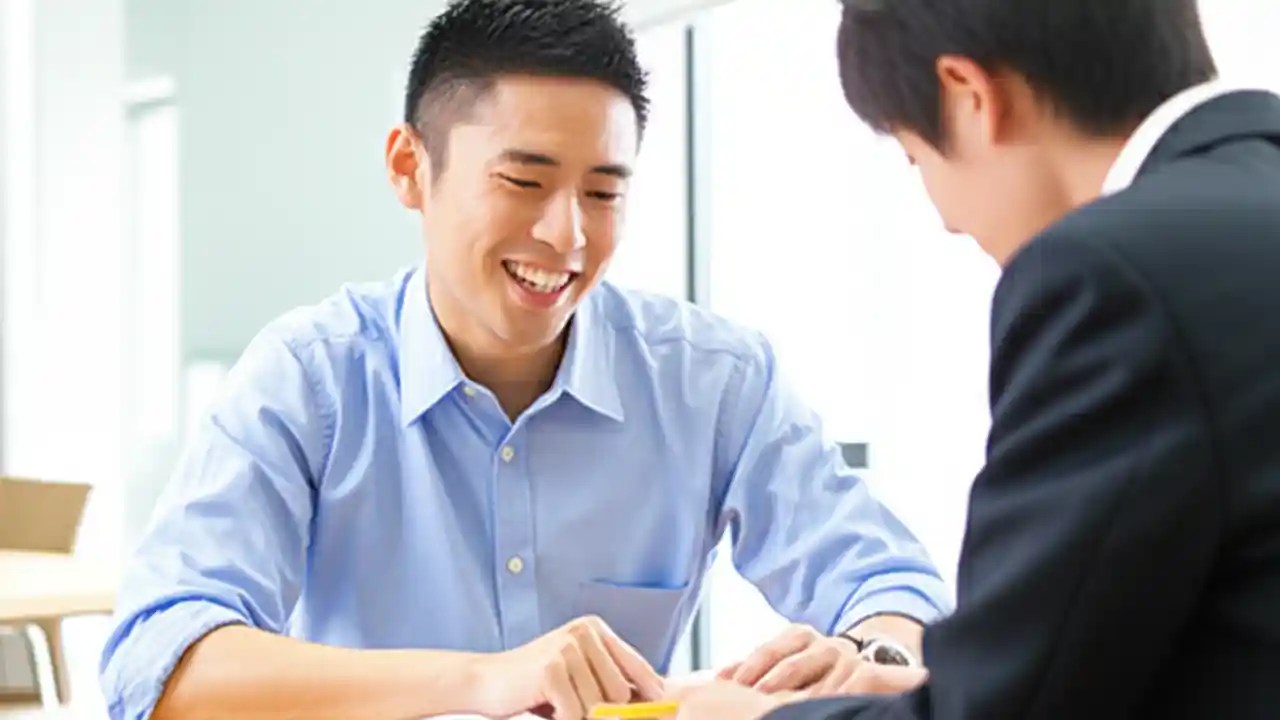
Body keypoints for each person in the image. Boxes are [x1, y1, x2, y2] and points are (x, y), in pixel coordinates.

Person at [98, 2, 951, 719]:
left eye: (604, 192)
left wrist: (863, 652)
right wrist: (484, 679)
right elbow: (157, 664)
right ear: (410, 167)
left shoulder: (713, 381)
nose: (568, 237)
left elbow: (893, 586)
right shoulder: (309, 379)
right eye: (524, 181)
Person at [673, 0, 1280, 719]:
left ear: (968, 96)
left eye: (914, 157)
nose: (946, 218)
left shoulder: (1113, 275)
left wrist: (748, 718)